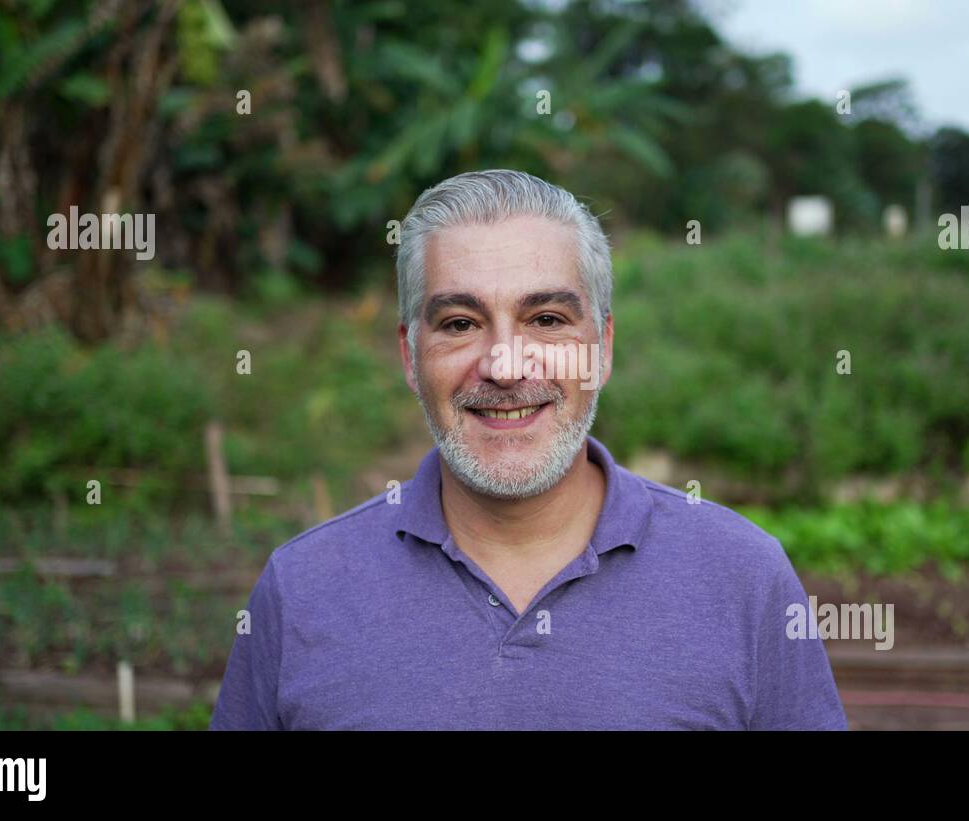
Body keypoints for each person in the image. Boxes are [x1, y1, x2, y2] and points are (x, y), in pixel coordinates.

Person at [210, 169, 846, 730]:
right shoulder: (301, 591)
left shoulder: (745, 580)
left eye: (546, 320)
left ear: (602, 348)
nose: (507, 366)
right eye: (460, 324)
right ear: (410, 356)